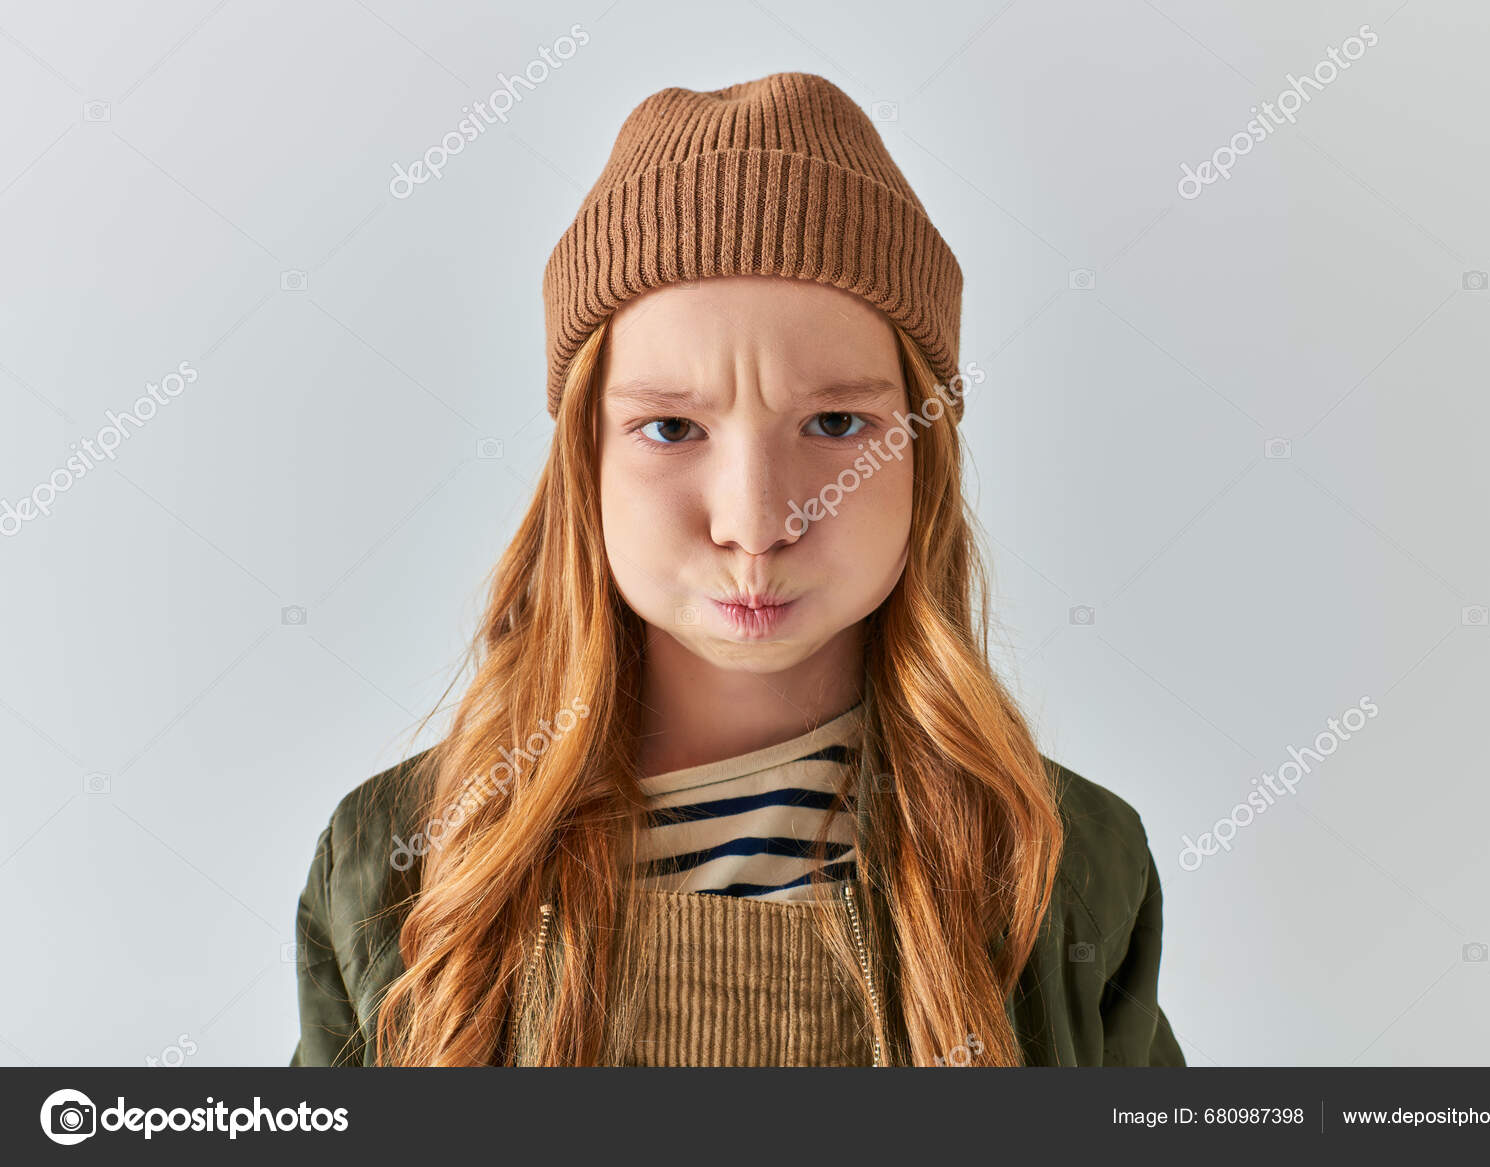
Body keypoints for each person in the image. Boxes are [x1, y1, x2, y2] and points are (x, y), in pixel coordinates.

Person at [290, 71, 1183, 1068]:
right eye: (669, 427)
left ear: (922, 454)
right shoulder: (400, 865)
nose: (758, 522)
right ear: (584, 461)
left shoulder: (1061, 866)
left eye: (837, 424)